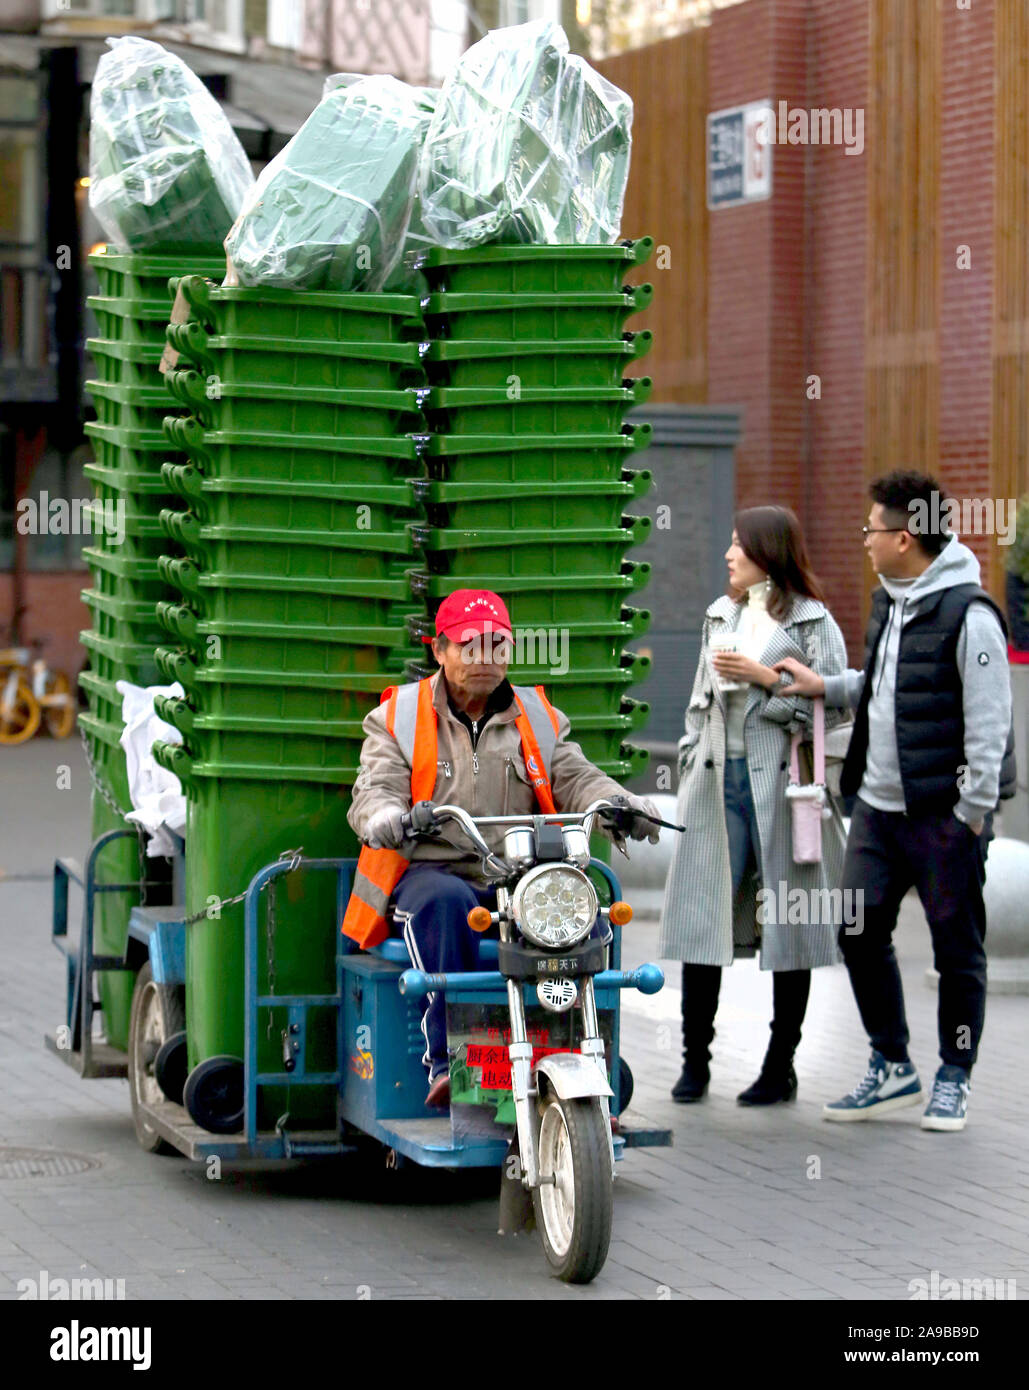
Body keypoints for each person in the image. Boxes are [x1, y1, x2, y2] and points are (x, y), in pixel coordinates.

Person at [343, 588, 660, 1109]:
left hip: (516, 875)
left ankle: (584, 1060)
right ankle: (448, 1062)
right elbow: (374, 787)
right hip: (431, 870)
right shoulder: (398, 716)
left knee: (585, 917)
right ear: (440, 651)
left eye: (497, 645)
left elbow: (577, 777)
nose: (485, 658)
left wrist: (620, 802)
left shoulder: (536, 714)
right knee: (444, 906)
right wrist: (384, 817)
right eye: (470, 645)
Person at [776, 470, 1015, 1132]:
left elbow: (990, 724)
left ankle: (953, 1075)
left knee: (954, 947)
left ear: (904, 537)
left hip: (943, 818)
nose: (864, 541)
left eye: (870, 530)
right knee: (855, 928)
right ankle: (891, 1064)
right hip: (877, 814)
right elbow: (884, 687)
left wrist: (970, 816)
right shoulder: (891, 603)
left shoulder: (969, 615)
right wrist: (821, 686)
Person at [660, 507, 850, 1106]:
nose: (728, 554)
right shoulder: (721, 615)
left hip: (784, 786)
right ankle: (695, 1062)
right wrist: (691, 759)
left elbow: (835, 709)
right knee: (703, 914)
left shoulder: (814, 623)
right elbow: (698, 703)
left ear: (769, 553)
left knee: (788, 922)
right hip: (718, 783)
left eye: (739, 544)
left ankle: (780, 1064)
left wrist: (766, 681)